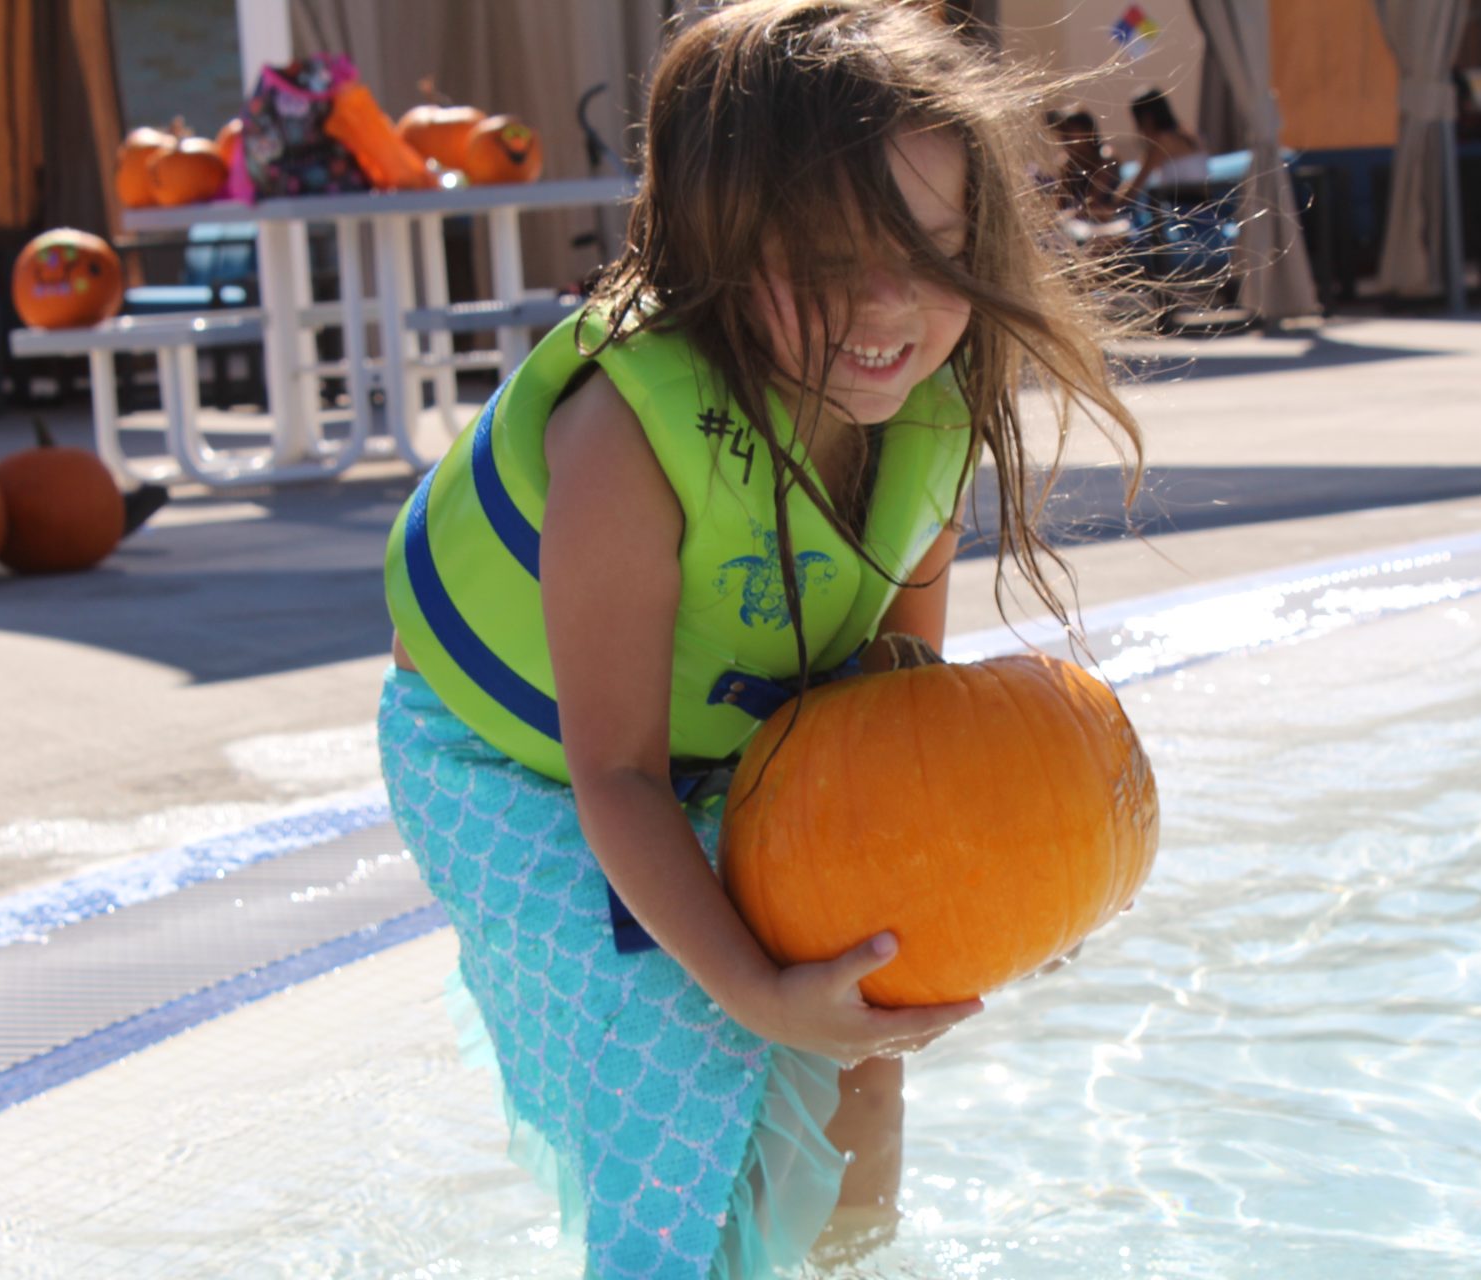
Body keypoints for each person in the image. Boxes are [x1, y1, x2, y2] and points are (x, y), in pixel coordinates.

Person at [376, 2, 1144, 1275]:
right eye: (834, 259)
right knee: (679, 1064)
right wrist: (747, 986)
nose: (893, 301)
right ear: (721, 252)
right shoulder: (627, 441)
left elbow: (889, 708)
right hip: (516, 765)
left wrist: (999, 882)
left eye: (936, 251)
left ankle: (852, 1262)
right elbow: (611, 772)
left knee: (858, 1045)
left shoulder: (927, 419)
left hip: (719, 742)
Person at [1115, 87, 1208, 197]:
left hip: (1183, 206)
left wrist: (1110, 205)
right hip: (1203, 203)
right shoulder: (1188, 133)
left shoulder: (1162, 142)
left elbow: (1134, 187)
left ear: (1147, 118)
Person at [1047, 105, 1124, 220]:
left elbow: (1093, 201)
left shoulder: (1105, 157)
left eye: (1069, 130)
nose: (1063, 136)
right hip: (1081, 223)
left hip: (1110, 222)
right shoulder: (1068, 163)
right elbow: (1059, 204)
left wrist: (1070, 215)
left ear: (1087, 131)